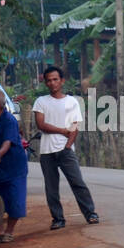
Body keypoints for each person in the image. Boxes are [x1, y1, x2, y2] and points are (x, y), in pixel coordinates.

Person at [32, 65, 98, 230]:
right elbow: (41, 125)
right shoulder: (41, 102)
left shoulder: (72, 101)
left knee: (77, 182)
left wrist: (67, 146)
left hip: (66, 151)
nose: (53, 83)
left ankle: (90, 213)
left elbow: (75, 126)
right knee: (51, 188)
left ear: (62, 81)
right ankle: (58, 219)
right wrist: (62, 130)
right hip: (47, 152)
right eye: (49, 80)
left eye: (55, 79)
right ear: (45, 83)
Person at [0, 89, 27, 242]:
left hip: (13, 166)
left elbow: (7, 143)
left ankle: (9, 231)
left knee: (15, 200)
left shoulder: (9, 120)